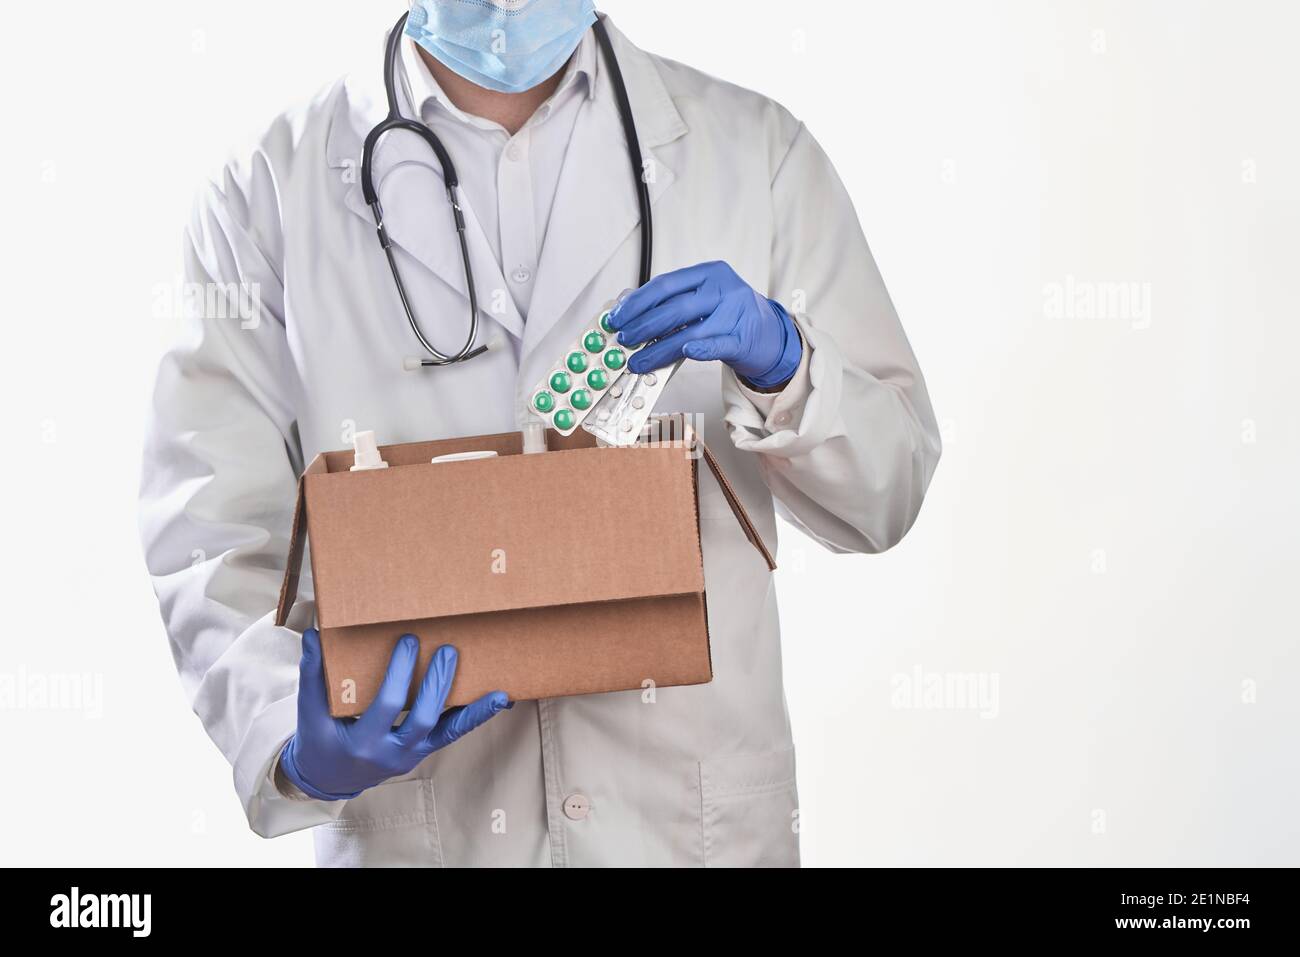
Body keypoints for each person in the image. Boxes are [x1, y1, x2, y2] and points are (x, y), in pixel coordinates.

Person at [139, 0, 940, 867]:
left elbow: (888, 488)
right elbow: (211, 531)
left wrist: (787, 365)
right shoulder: (263, 196)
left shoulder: (757, 156)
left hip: (691, 836)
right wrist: (294, 748)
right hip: (426, 835)